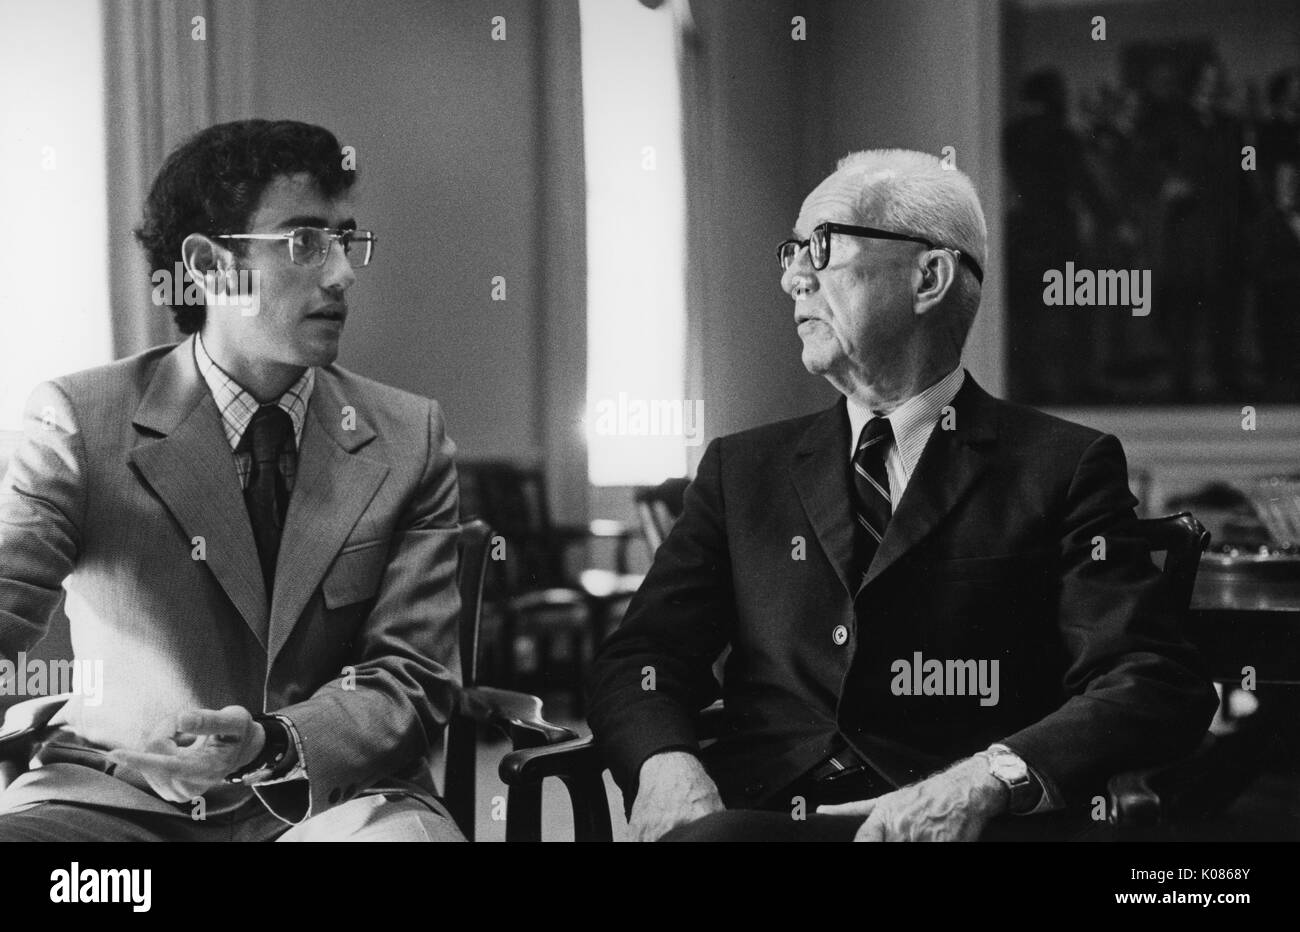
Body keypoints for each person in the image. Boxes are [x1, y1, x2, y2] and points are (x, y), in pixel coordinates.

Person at [587, 149, 1217, 842]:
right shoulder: (742, 471)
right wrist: (665, 763)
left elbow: (1149, 678)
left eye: (821, 248)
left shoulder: (1060, 467)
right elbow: (643, 655)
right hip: (758, 817)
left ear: (930, 276)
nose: (794, 278)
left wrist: (983, 783)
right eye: (791, 253)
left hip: (952, 829)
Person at [0, 119, 464, 841]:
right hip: (115, 797)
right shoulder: (80, 422)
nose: (342, 273)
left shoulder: (410, 437)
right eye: (305, 242)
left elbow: (413, 677)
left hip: (336, 804)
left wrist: (273, 742)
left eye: (346, 241)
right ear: (211, 266)